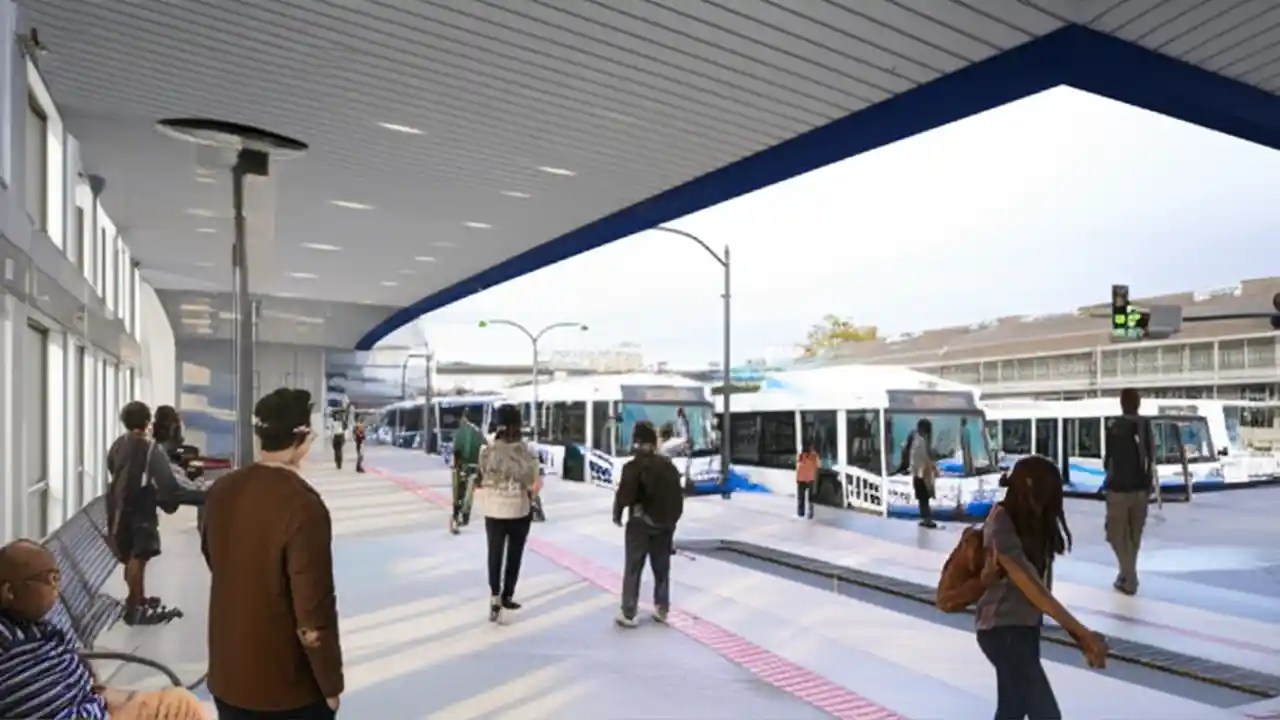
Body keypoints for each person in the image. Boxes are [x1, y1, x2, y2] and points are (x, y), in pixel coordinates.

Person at [203, 388, 343, 719]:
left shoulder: (221, 491)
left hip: (228, 677)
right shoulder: (303, 505)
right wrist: (330, 683)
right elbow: (312, 608)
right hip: (287, 690)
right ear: (304, 438)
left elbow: (214, 559)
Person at [0, 540, 207, 720]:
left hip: (93, 706)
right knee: (183, 708)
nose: (57, 589)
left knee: (181, 704)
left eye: (58, 578)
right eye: (50, 579)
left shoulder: (39, 629)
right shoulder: (8, 636)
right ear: (9, 591)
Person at [977, 455, 1108, 719]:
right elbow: (1032, 587)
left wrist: (1079, 636)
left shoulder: (1034, 524)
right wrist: (1081, 633)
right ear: (1028, 486)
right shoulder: (1001, 522)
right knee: (1045, 713)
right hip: (1001, 630)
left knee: (1012, 708)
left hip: (1025, 630)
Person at [106, 401, 173, 625]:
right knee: (139, 556)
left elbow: (111, 466)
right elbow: (163, 478)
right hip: (140, 508)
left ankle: (137, 598)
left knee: (132, 557)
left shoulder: (118, 444)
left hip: (118, 506)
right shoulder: (149, 447)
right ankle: (135, 606)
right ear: (147, 421)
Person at [613, 421, 684, 628]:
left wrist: (617, 515)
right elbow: (677, 500)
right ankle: (662, 609)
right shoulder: (668, 467)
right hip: (664, 527)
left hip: (639, 525)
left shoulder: (632, 467)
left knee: (634, 568)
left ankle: (629, 612)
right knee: (661, 569)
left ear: (636, 442)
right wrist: (670, 523)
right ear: (654, 443)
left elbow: (624, 496)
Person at [476, 404, 541, 623]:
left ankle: (494, 595)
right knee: (514, 554)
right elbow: (533, 481)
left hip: (493, 510)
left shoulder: (488, 452)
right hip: (519, 510)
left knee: (494, 553)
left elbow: (481, 475)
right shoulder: (525, 452)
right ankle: (508, 595)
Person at [1102, 388, 1155, 596]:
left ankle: (1129, 577)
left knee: (1115, 535)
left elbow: (1109, 462)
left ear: (1122, 403)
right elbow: (1151, 456)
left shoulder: (1115, 426)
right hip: (1141, 490)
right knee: (1133, 536)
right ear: (1138, 403)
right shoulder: (1146, 425)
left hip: (1118, 490)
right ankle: (1125, 575)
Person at [450, 409, 488, 534]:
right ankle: (464, 516)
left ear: (465, 418)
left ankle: (457, 515)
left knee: (458, 492)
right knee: (469, 493)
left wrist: (455, 466)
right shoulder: (479, 433)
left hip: (462, 466)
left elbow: (457, 450)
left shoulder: (462, 431)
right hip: (474, 467)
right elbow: (485, 451)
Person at [908, 418, 938, 529]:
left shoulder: (916, 440)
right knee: (924, 498)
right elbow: (925, 459)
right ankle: (927, 519)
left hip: (918, 473)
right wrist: (933, 468)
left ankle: (925, 518)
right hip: (922, 474)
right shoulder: (922, 441)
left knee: (922, 499)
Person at [795, 444, 819, 519]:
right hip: (810, 478)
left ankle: (800, 513)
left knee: (801, 497)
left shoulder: (801, 456)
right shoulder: (813, 456)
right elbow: (817, 466)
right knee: (811, 498)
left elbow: (798, 463)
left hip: (801, 479)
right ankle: (810, 513)